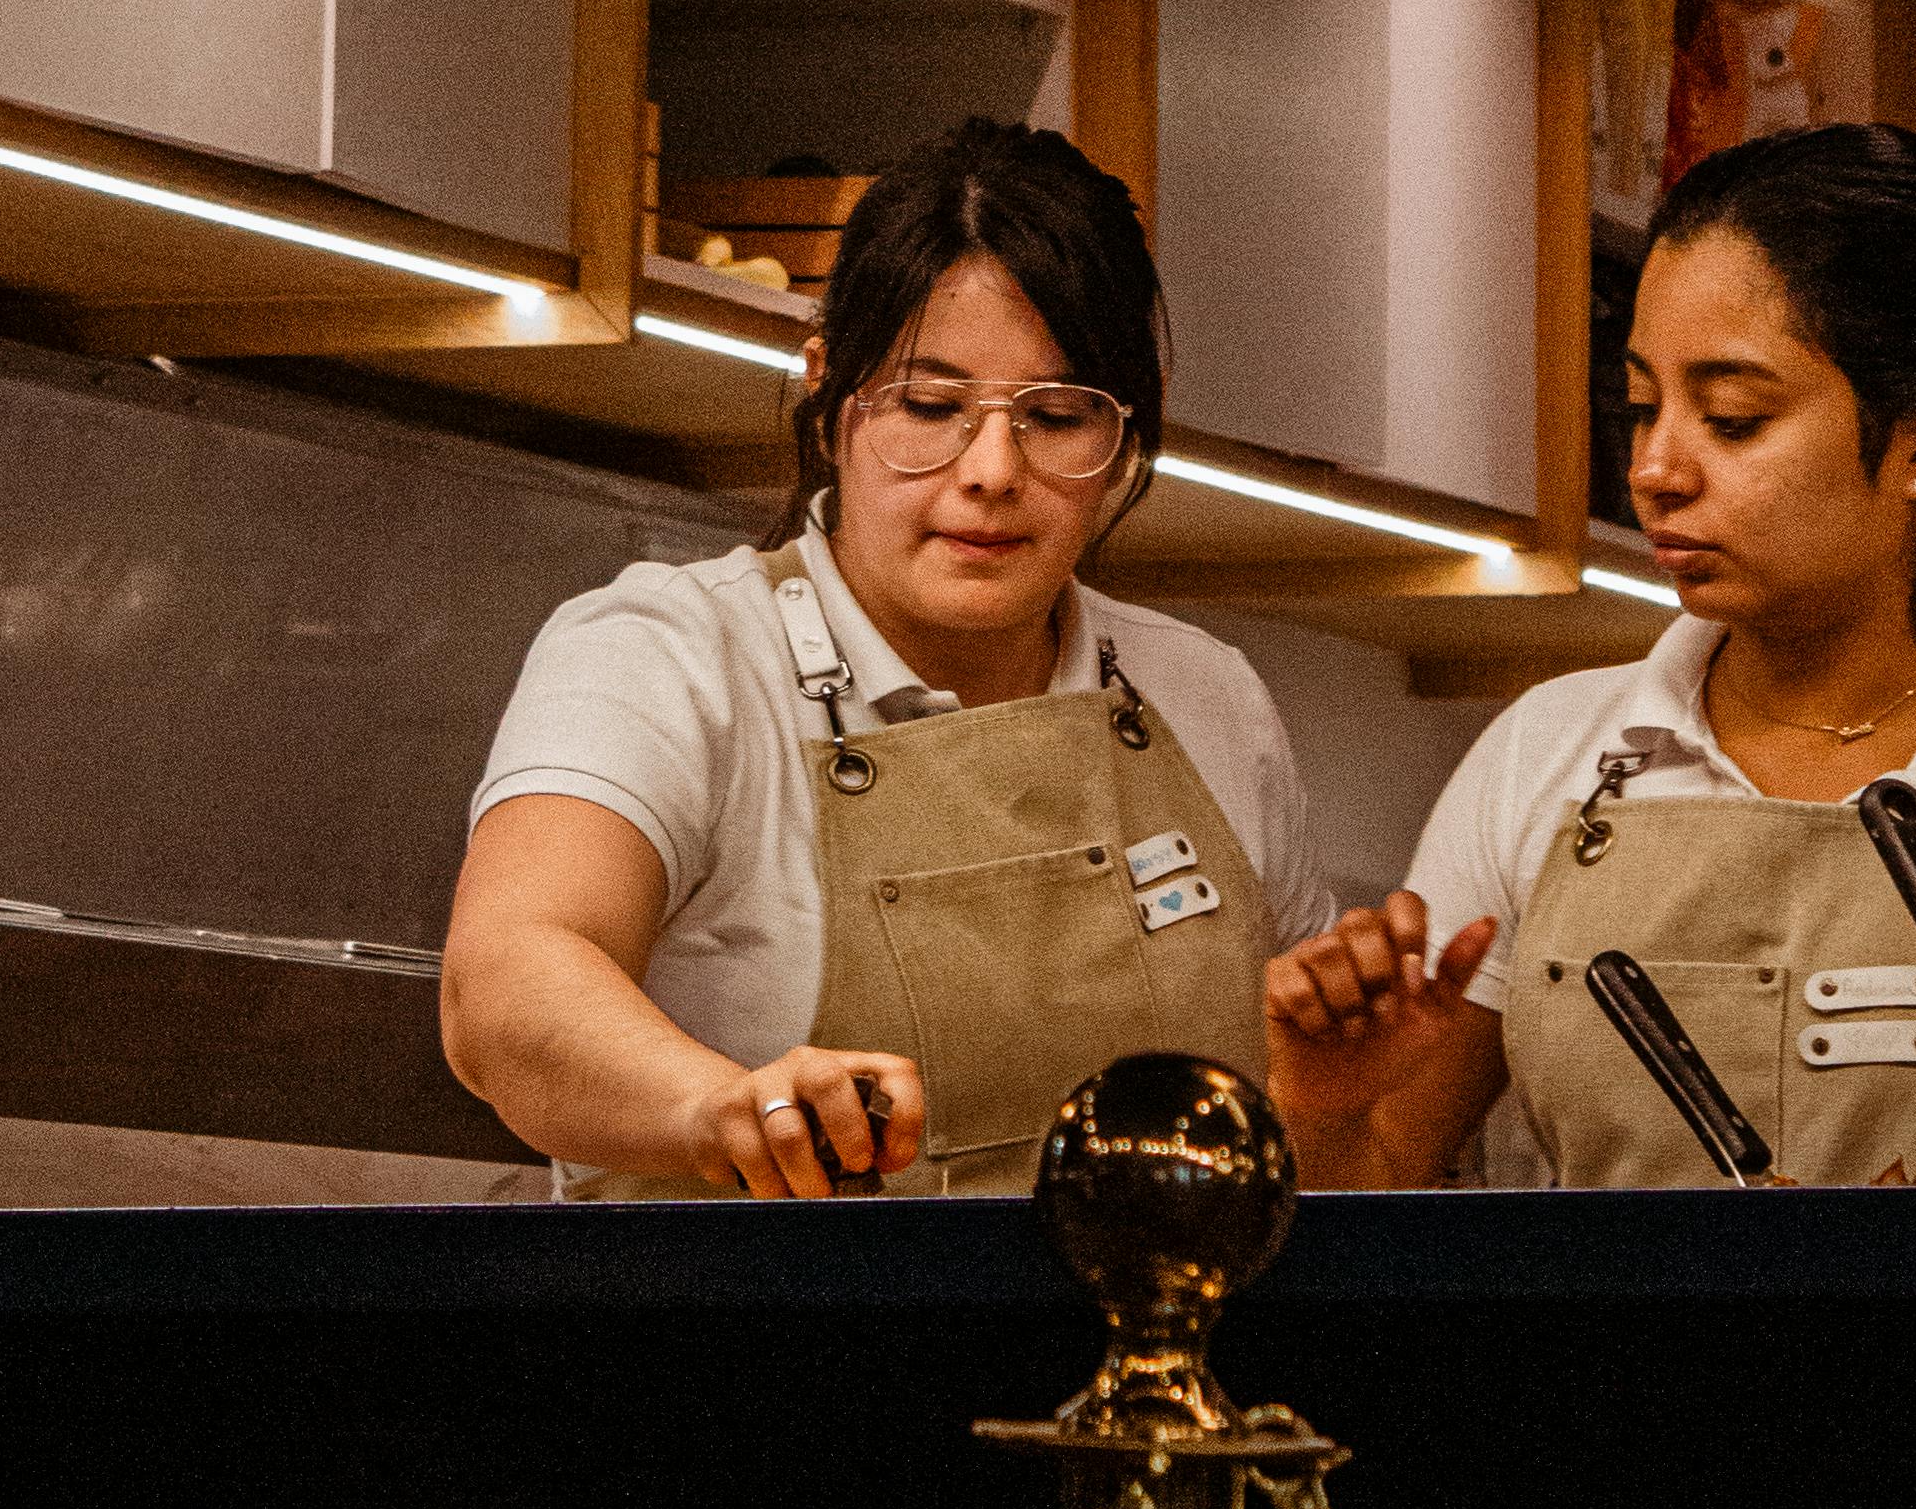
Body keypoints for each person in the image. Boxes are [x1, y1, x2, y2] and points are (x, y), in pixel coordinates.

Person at [1266, 124, 1916, 1194]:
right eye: (1641, 406)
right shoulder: (1548, 753)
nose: (1656, 468)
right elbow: (1374, 1190)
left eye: (1732, 418)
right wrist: (1323, 1102)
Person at [443, 117, 1333, 1196]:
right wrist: (717, 1107)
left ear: (1126, 438)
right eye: (928, 405)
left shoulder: (1207, 695)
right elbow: (505, 988)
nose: (991, 470)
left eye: (1057, 417)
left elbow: (1310, 1101)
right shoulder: (673, 655)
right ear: (830, 397)